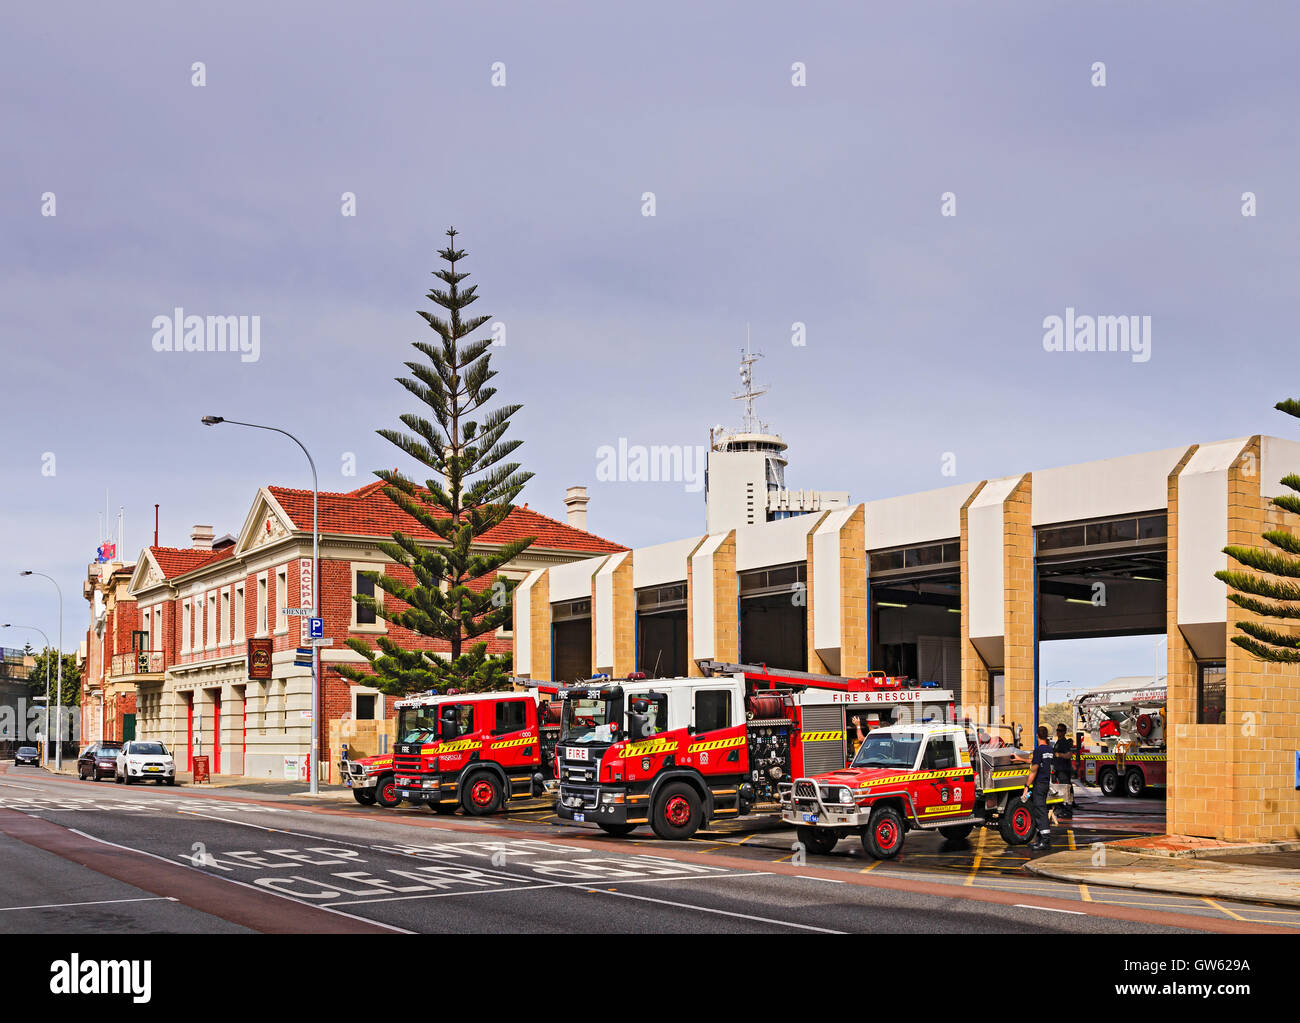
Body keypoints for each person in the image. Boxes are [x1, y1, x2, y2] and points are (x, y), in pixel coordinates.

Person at [1023, 724, 1054, 850]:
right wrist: (1020, 759)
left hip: (1039, 784)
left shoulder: (1038, 750)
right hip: (1045, 783)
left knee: (1040, 811)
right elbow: (1036, 761)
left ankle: (1045, 841)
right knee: (1039, 810)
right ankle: (1039, 839)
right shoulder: (1049, 750)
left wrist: (1026, 786)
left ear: (1037, 736)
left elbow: (1034, 770)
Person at [1052, 723, 1076, 819]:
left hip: (1064, 770)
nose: (1058, 732)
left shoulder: (1064, 742)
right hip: (1058, 770)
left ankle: (1068, 810)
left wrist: (1059, 755)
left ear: (1065, 732)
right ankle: (1063, 808)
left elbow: (1069, 755)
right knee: (1062, 790)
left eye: (1061, 730)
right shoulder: (1058, 742)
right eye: (1057, 730)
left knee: (1066, 790)